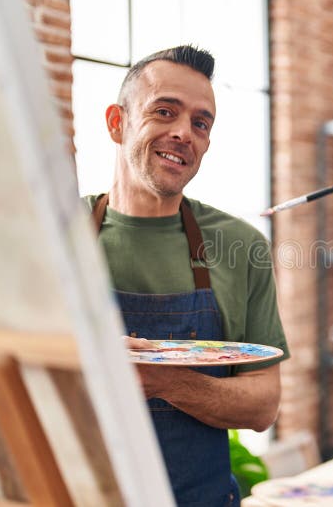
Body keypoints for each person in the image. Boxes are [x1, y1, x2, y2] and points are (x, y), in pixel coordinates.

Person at [84, 45, 289, 506]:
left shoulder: (241, 246)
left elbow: (263, 405)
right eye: (164, 111)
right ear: (117, 123)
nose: (184, 133)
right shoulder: (58, 235)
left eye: (200, 122)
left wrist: (159, 380)